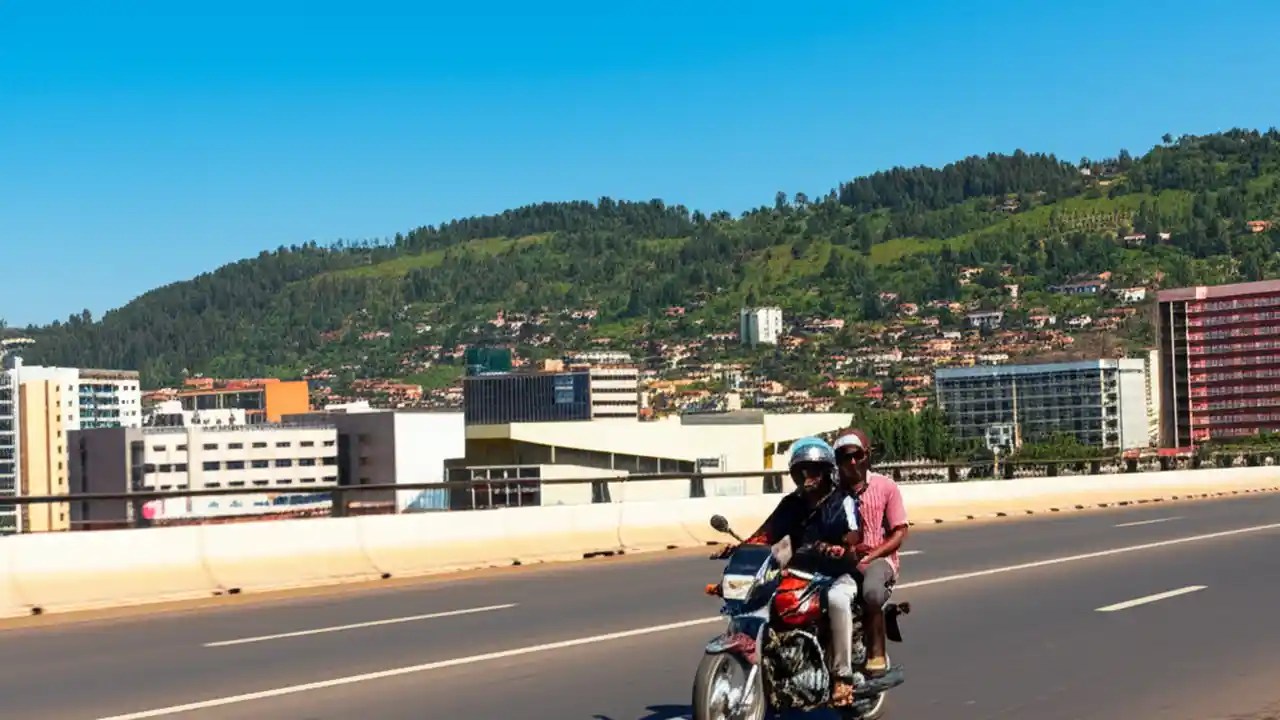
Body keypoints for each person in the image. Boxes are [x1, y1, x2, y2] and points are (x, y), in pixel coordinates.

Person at [721, 436, 863, 706]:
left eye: (814, 470)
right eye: (802, 471)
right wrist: (740, 548)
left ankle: (842, 677)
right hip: (798, 572)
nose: (808, 476)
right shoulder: (791, 504)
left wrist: (842, 547)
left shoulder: (842, 500)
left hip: (836, 573)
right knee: (760, 594)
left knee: (838, 599)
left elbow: (855, 534)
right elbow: (766, 534)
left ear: (826, 471)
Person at [833, 427, 909, 681]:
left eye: (857, 455)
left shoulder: (886, 487)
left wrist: (873, 554)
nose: (852, 462)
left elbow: (900, 532)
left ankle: (876, 654)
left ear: (867, 455)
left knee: (872, 591)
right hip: (843, 560)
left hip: (879, 559)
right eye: (845, 457)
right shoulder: (832, 492)